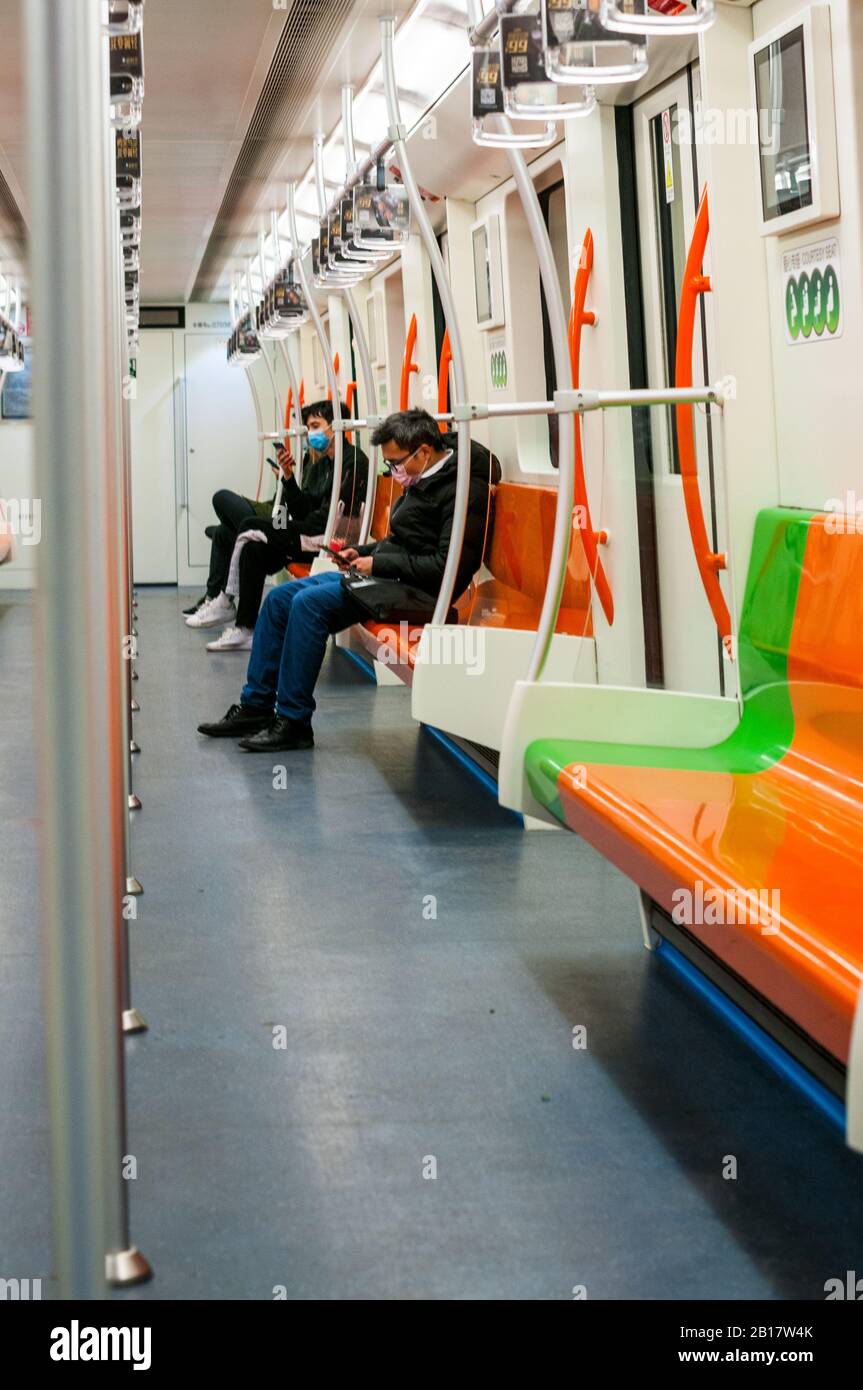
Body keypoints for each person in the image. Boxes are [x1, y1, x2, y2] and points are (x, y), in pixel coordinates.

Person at [197, 408, 500, 752]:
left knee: (308, 605)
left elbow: (446, 567)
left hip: (424, 593)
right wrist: (363, 552)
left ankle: (294, 721)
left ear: (424, 452)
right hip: (394, 579)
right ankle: (255, 706)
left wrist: (379, 564)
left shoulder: (465, 492)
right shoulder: (422, 478)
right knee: (280, 600)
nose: (393, 471)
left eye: (396, 463)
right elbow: (402, 539)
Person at [186, 401, 367, 642]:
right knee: (252, 547)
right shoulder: (321, 463)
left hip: (323, 540)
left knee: (249, 523)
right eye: (308, 427)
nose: (311, 433)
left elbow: (328, 520)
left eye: (315, 426)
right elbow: (302, 508)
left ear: (336, 427)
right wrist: (288, 478)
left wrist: (285, 528)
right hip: (299, 527)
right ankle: (245, 630)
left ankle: (225, 600)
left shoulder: (352, 462)